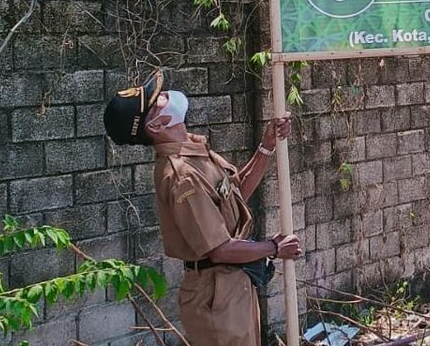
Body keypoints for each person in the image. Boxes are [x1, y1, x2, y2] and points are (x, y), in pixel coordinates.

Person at [103, 72, 302, 346]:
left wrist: (266, 146)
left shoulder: (193, 153)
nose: (166, 96)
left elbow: (234, 195)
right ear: (157, 125)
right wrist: (274, 248)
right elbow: (218, 248)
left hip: (231, 285)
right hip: (216, 294)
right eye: (158, 101)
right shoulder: (181, 175)